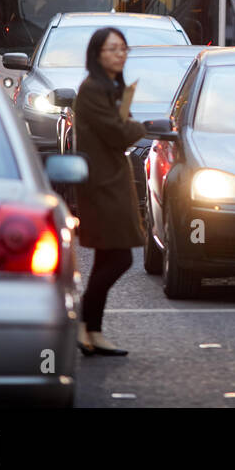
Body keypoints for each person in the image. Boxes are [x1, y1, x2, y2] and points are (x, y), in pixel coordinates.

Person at [73, 27, 147, 356]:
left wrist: (128, 121)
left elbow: (120, 126)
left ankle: (93, 329)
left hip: (111, 182)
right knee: (119, 258)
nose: (120, 54)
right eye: (112, 49)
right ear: (97, 54)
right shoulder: (91, 89)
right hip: (101, 187)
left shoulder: (111, 88)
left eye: (123, 49)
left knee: (109, 257)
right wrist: (141, 127)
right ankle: (81, 321)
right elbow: (119, 133)